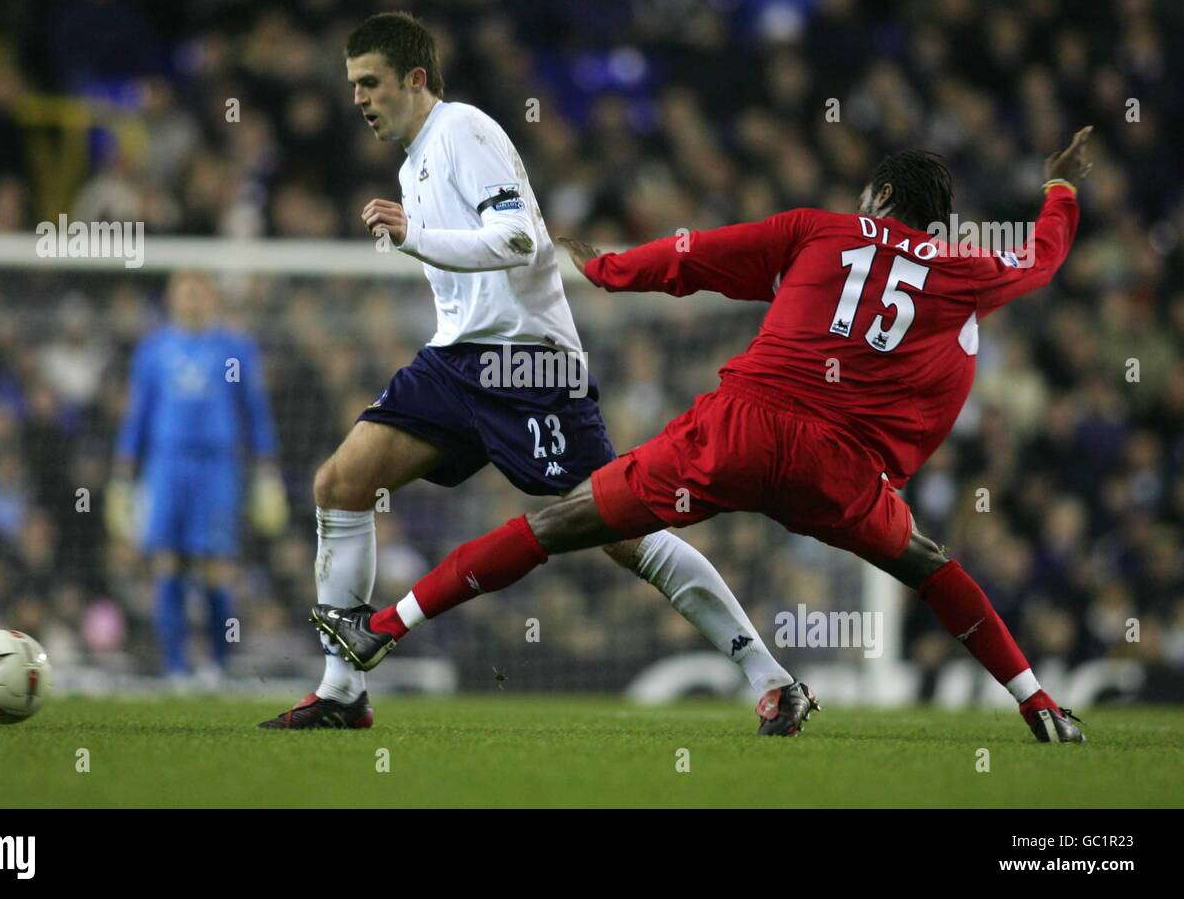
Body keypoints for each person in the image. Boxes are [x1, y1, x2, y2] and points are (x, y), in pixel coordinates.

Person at [314, 128, 1097, 744]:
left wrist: (613, 268)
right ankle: (1038, 703)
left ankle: (384, 626)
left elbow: (697, 257)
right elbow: (1045, 256)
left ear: (881, 194)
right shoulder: (964, 270)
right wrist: (1060, 187)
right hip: (840, 471)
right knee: (930, 564)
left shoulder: (819, 230)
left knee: (560, 523)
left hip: (740, 432)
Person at [260, 12, 807, 732]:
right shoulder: (411, 161)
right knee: (341, 481)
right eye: (353, 85)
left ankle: (770, 677)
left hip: (527, 362)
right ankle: (341, 692)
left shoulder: (463, 131)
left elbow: (520, 237)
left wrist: (413, 234)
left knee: (623, 527)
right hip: (458, 360)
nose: (359, 98)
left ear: (415, 79)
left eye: (371, 82)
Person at [112, 271, 283, 681]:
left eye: (198, 292)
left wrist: (266, 470)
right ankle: (175, 667)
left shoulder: (234, 349)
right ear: (171, 298)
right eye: (183, 292)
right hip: (166, 464)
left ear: (212, 298)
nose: (191, 299)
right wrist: (122, 471)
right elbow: (139, 413)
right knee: (167, 562)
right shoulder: (153, 351)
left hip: (217, 464)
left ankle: (217, 667)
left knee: (216, 564)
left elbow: (254, 410)